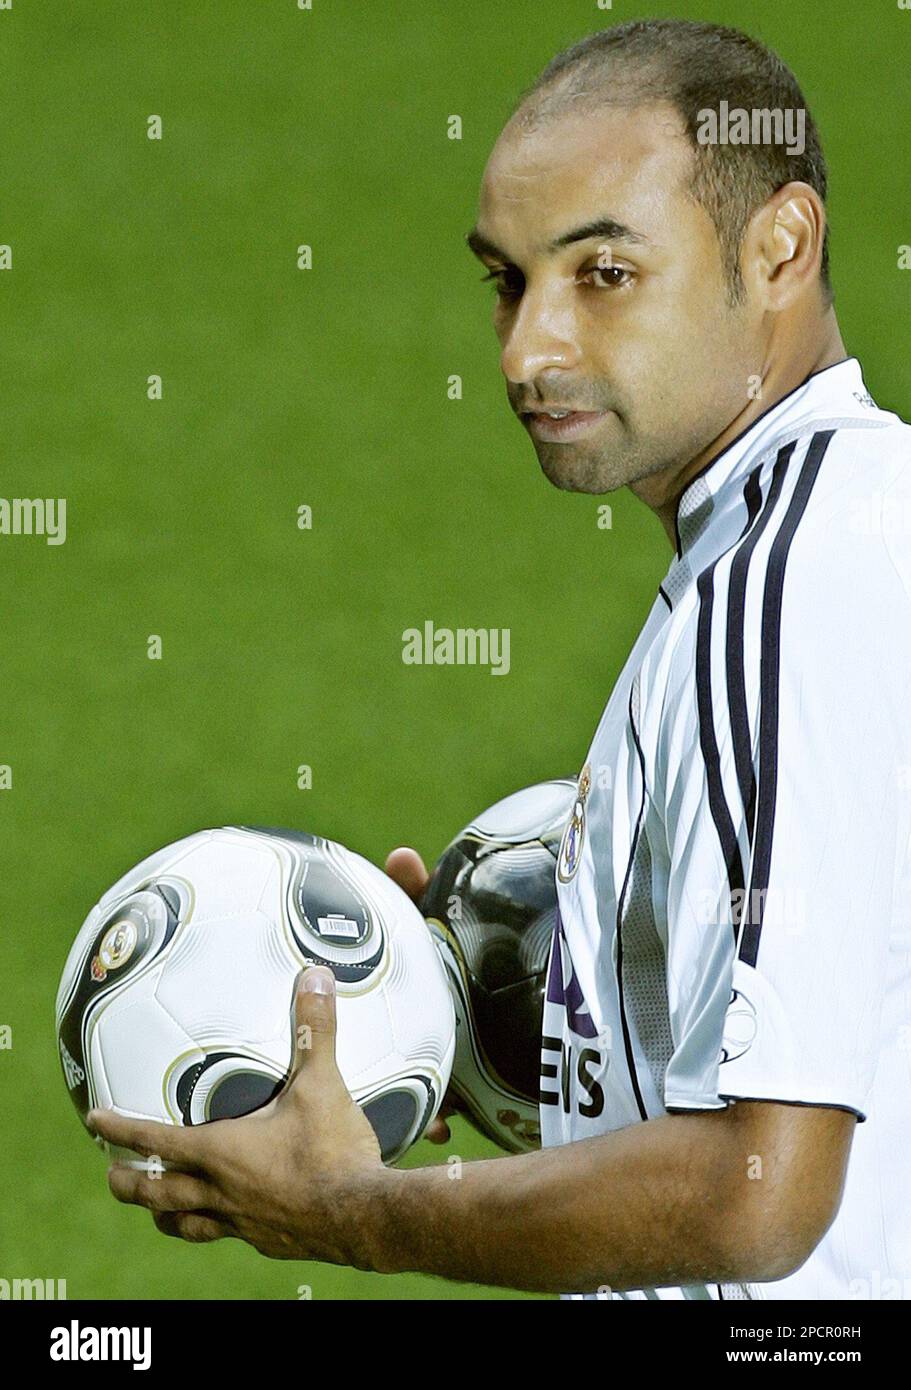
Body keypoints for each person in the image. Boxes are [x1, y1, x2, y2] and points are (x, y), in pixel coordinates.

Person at [90, 19, 911, 1299]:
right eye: (507, 283)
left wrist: (358, 1213)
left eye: (602, 275)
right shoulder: (816, 536)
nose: (529, 351)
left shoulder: (782, 589)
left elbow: (759, 1193)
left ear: (778, 247)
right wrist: (493, 1017)